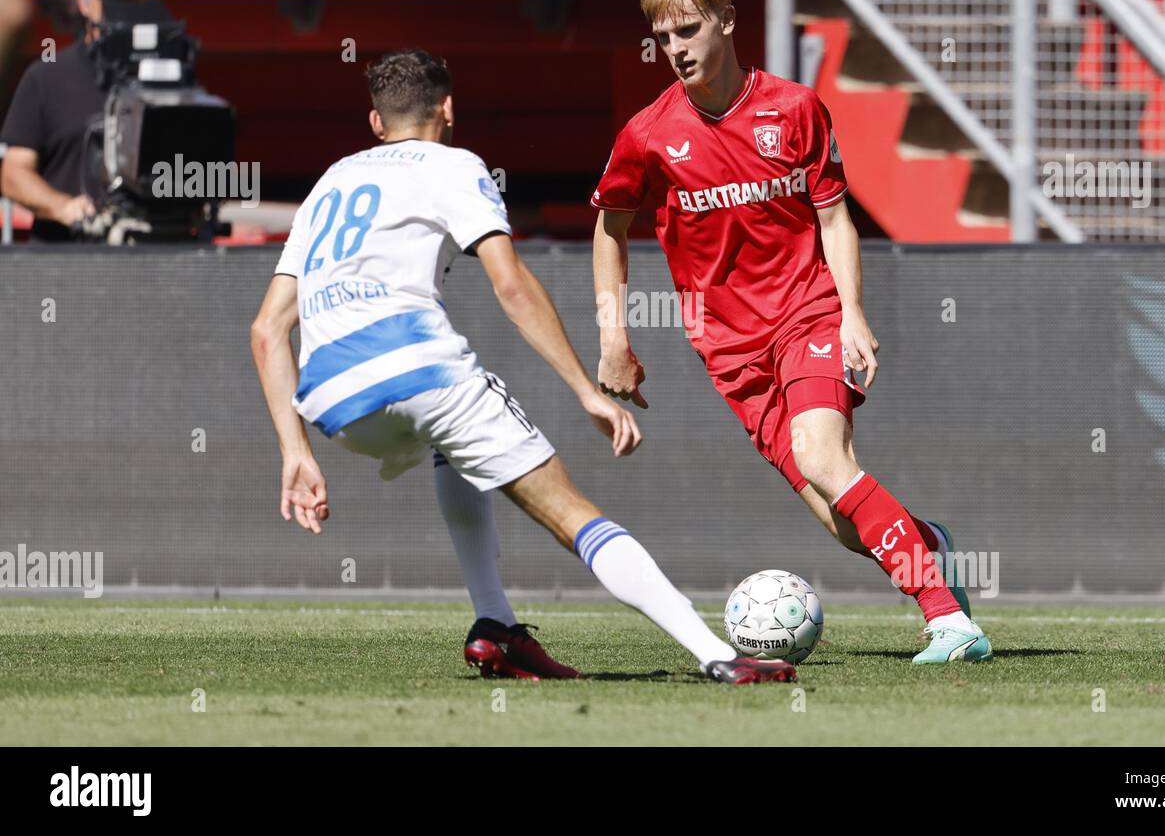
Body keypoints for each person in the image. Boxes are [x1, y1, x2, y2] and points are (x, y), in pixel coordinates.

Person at [250, 49, 795, 685]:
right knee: (570, 513)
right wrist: (583, 390)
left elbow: (266, 331)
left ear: (375, 122)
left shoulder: (330, 182)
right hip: (421, 371)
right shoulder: (453, 164)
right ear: (448, 109)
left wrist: (296, 453)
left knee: (448, 448)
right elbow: (510, 285)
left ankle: (495, 626)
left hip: (335, 406)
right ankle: (718, 655)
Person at [591, 0, 992, 664]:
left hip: (805, 316)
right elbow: (609, 228)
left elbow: (836, 219)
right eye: (663, 37)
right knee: (840, 518)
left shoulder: (795, 109)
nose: (675, 50)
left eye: (687, 30)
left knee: (821, 454)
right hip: (730, 351)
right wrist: (613, 338)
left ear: (726, 20)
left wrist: (852, 313)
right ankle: (926, 544)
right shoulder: (647, 135)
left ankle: (949, 621)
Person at [0, 0, 148, 242]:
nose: (120, 8)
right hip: (64, 258)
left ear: (144, 3)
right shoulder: (46, 76)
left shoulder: (165, 77)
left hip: (146, 256)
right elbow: (12, 174)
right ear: (86, 1)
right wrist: (63, 207)